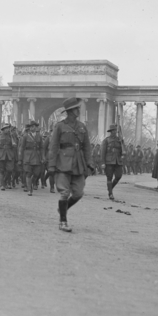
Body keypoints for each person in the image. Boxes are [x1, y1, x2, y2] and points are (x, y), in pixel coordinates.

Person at [48, 98, 93, 232]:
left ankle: (64, 208)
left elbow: (87, 147)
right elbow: (53, 146)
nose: (78, 110)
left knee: (78, 193)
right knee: (64, 192)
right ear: (70, 111)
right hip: (63, 162)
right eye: (76, 109)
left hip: (78, 163)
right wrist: (51, 165)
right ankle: (63, 221)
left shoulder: (82, 127)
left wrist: (89, 163)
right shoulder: (60, 126)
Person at [18, 121, 44, 196]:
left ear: (36, 128)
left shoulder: (39, 136)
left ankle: (32, 184)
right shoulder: (25, 136)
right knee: (28, 173)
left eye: (34, 127)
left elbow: (42, 148)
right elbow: (21, 148)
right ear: (29, 128)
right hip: (28, 156)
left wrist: (43, 157)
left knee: (37, 173)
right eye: (31, 127)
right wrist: (20, 159)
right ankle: (29, 189)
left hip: (37, 156)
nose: (33, 128)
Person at [100, 124, 124, 200]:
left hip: (118, 161)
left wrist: (123, 153)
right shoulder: (106, 140)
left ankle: (110, 188)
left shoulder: (120, 140)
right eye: (113, 130)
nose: (114, 132)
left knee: (118, 176)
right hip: (109, 161)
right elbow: (103, 152)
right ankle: (110, 193)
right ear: (110, 131)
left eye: (115, 130)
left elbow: (123, 150)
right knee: (109, 177)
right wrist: (103, 163)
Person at [0, 123, 15, 191]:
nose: (7, 130)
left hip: (9, 155)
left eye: (8, 128)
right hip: (0, 155)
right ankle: (2, 185)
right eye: (6, 129)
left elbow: (14, 146)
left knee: (10, 170)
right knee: (1, 170)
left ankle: (4, 181)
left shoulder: (11, 136)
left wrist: (14, 144)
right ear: (3, 129)